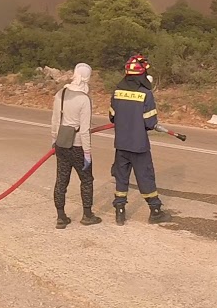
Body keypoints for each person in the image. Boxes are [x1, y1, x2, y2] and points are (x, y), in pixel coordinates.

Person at [108, 53, 168, 226]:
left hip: (121, 144)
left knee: (121, 178)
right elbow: (150, 122)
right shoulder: (145, 94)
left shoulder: (117, 92)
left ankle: (120, 212)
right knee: (145, 176)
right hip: (139, 145)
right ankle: (155, 211)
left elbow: (112, 116)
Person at [51, 63, 102, 229]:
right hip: (78, 146)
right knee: (86, 180)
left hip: (61, 144)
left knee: (61, 180)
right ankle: (87, 215)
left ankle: (61, 217)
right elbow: (85, 129)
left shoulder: (61, 93)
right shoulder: (84, 99)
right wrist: (87, 152)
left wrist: (54, 141)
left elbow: (55, 121)